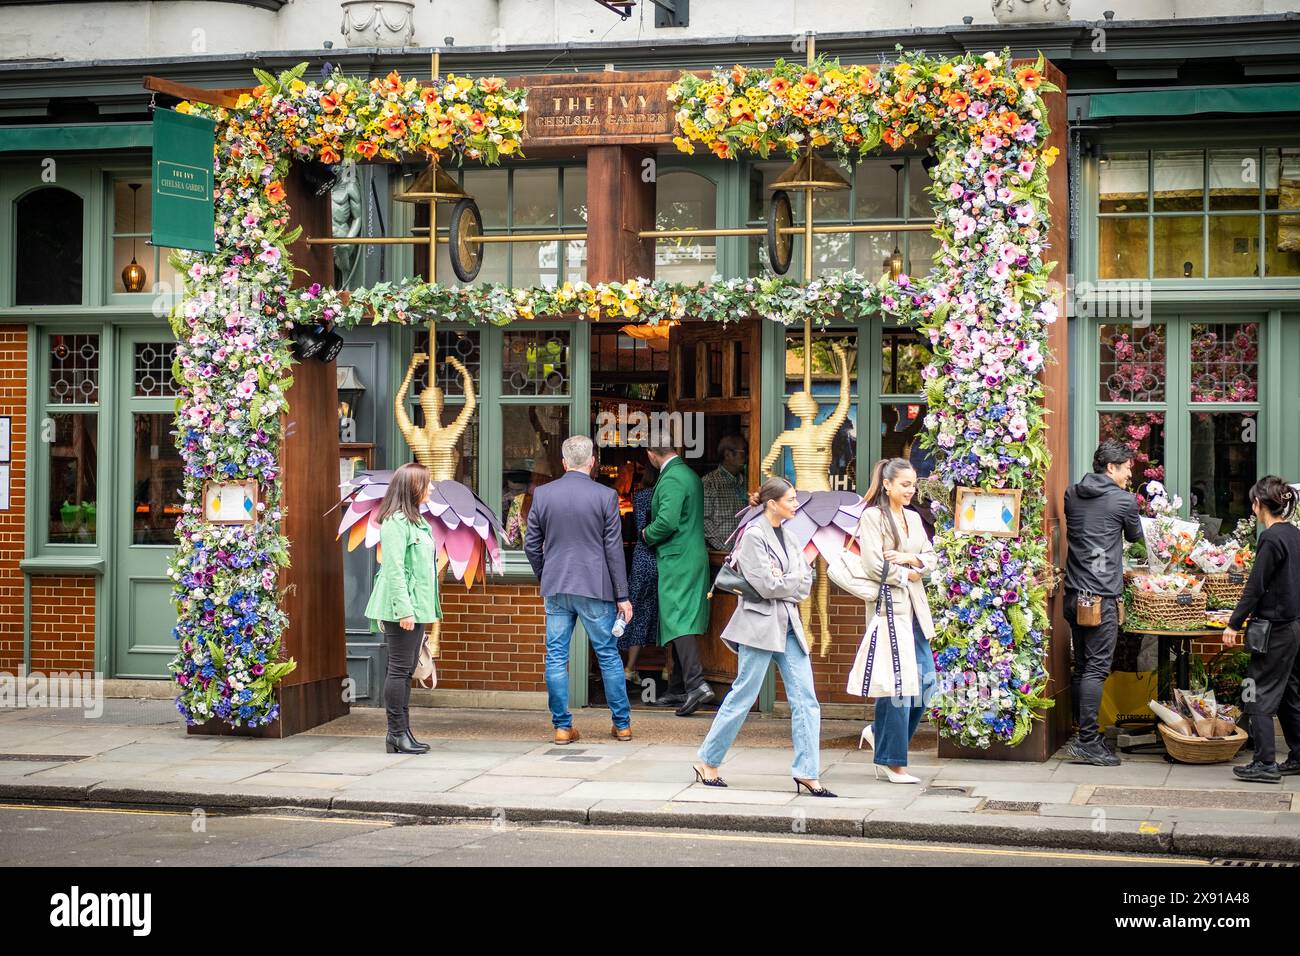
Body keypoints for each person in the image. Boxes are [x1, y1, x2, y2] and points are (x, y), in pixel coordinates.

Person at [692, 476, 833, 796]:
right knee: (743, 696)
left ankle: (808, 772)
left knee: (807, 701)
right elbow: (766, 586)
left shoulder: (792, 535)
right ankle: (707, 760)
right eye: (791, 499)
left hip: (788, 627)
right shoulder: (754, 536)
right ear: (773, 504)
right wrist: (791, 581)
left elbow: (805, 582)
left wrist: (789, 579)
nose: (797, 504)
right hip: (759, 627)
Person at [525, 435, 635, 744]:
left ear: (563, 463)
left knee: (556, 657)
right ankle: (622, 724)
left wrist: (545, 574)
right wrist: (622, 595)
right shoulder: (605, 496)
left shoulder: (544, 494)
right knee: (608, 655)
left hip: (557, 586)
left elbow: (531, 544)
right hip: (594, 586)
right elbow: (613, 549)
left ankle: (562, 726)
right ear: (592, 462)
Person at [854, 458, 938, 784]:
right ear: (887, 485)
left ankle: (879, 733)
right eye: (905, 484)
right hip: (890, 609)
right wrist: (909, 574)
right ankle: (893, 762)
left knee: (927, 682)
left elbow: (930, 556)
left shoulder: (915, 519)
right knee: (899, 685)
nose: (911, 490)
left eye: (913, 484)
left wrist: (909, 559)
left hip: (916, 611)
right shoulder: (872, 517)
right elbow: (874, 565)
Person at [1062, 439, 1144, 767]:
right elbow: (1137, 537)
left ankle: (1083, 733)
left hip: (1073, 595)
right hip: (1100, 597)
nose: (1129, 476)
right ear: (1111, 467)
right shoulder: (1123, 501)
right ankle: (1088, 742)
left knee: (1082, 666)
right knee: (1096, 668)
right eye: (1126, 469)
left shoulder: (1071, 493)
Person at [1221, 477, 1300, 783]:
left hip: (1275, 629)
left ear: (1259, 504)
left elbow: (1255, 587)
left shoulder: (1270, 538)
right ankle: (1297, 755)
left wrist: (1233, 623)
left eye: (1253, 501)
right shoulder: (1294, 534)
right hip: (1294, 626)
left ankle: (1265, 762)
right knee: (1292, 692)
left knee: (1257, 690)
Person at [363, 462, 441, 756]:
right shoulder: (396, 522)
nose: (431, 488)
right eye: (427, 483)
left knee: (408, 669)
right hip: (401, 608)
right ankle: (395, 734)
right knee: (398, 670)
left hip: (417, 606)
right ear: (412, 488)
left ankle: (403, 732)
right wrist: (404, 611)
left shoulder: (417, 521)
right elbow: (394, 570)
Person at [642, 440, 713, 716]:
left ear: (651, 455)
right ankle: (680, 687)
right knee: (682, 618)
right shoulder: (688, 474)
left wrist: (646, 534)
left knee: (678, 619)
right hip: (691, 554)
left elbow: (667, 522)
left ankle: (695, 684)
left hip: (678, 558)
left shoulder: (672, 478)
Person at [621, 465, 660, 683]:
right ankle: (669, 667)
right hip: (662, 558)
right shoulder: (662, 495)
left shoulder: (640, 496)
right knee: (665, 614)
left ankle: (629, 667)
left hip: (641, 557)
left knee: (636, 611)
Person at [702, 434, 749, 551]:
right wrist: (724, 548)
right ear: (727, 455)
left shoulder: (748, 481)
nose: (747, 457)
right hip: (720, 555)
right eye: (743, 452)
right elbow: (704, 520)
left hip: (745, 550)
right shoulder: (709, 482)